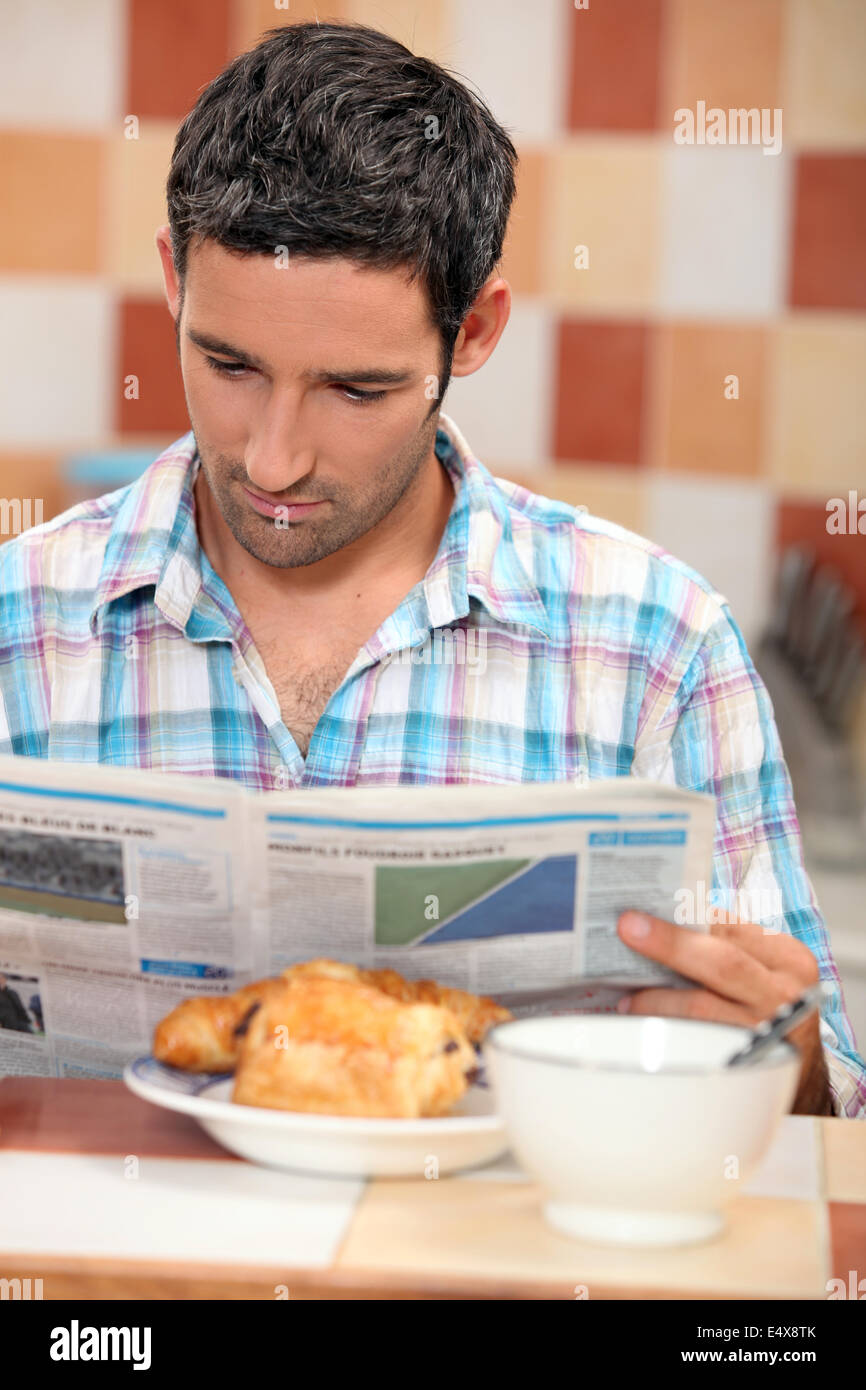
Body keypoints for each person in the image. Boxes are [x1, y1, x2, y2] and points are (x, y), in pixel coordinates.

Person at [0, 23, 862, 1117]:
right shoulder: (17, 620)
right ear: (173, 280)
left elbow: (827, 1115)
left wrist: (778, 1065)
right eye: (228, 364)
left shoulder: (653, 643)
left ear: (473, 332)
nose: (273, 458)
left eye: (355, 390)